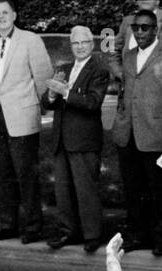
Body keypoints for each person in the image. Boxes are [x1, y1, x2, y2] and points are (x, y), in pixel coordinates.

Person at [112, 8, 162, 257]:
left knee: (161, 190)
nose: (140, 32)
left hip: (157, 134)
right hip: (129, 133)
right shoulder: (129, 56)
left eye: (145, 27)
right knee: (134, 189)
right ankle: (138, 234)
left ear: (156, 30)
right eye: (136, 28)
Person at [0, 0, 52, 243]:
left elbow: (43, 78)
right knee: (2, 175)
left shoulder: (31, 40)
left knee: (26, 174)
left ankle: (33, 226)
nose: (1, 17)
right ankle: (7, 224)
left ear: (14, 15)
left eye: (5, 13)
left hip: (22, 116)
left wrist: (44, 108)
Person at [42, 25, 108, 253]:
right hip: (61, 138)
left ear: (92, 44)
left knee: (86, 190)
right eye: (75, 43)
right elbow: (48, 103)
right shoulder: (64, 68)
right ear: (71, 46)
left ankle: (92, 235)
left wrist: (66, 93)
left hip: (84, 140)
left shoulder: (99, 69)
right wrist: (51, 94)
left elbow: (92, 103)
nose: (79, 47)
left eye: (84, 43)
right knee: (63, 191)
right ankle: (68, 232)